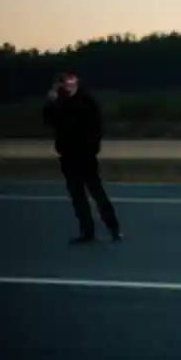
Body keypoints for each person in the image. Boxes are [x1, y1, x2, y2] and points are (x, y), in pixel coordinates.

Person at [42, 71, 122, 243]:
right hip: (68, 155)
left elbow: (96, 126)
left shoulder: (87, 102)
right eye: (64, 82)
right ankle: (87, 231)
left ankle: (113, 228)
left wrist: (92, 148)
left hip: (85, 155)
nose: (67, 85)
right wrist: (51, 101)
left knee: (96, 192)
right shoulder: (60, 103)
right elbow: (48, 120)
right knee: (78, 196)